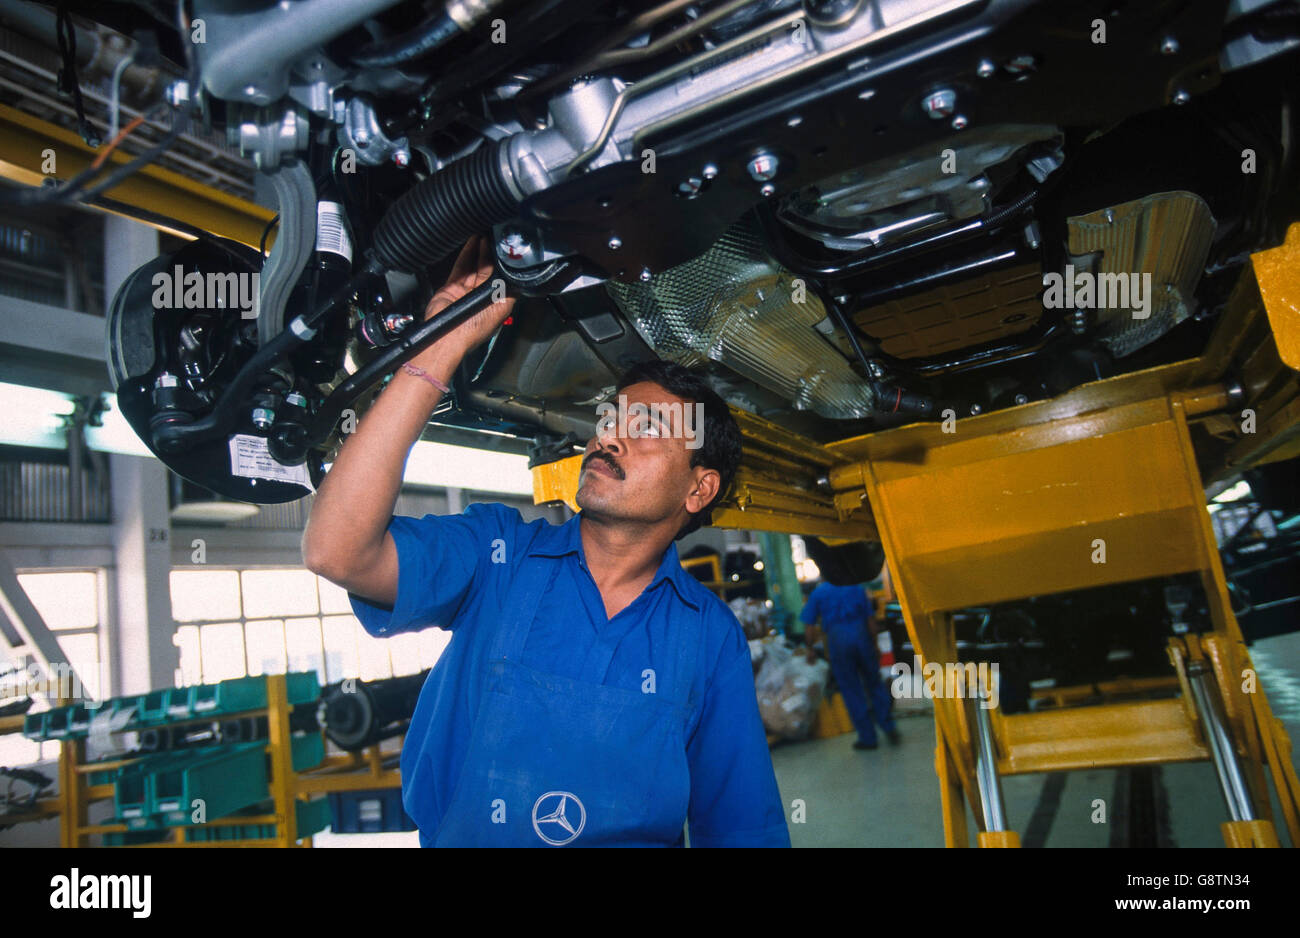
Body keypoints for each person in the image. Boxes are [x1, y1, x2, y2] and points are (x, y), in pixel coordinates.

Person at [303, 235, 790, 847]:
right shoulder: (496, 556)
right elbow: (336, 550)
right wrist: (444, 341)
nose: (609, 436)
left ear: (699, 490)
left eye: (648, 430)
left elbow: (741, 827)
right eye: (611, 419)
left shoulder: (709, 637)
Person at [800, 581, 900, 751]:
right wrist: (875, 645)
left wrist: (810, 648)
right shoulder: (856, 587)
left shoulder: (818, 593)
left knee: (851, 689)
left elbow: (809, 625)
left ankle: (868, 738)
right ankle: (888, 726)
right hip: (862, 637)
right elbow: (870, 619)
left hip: (838, 641)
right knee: (874, 682)